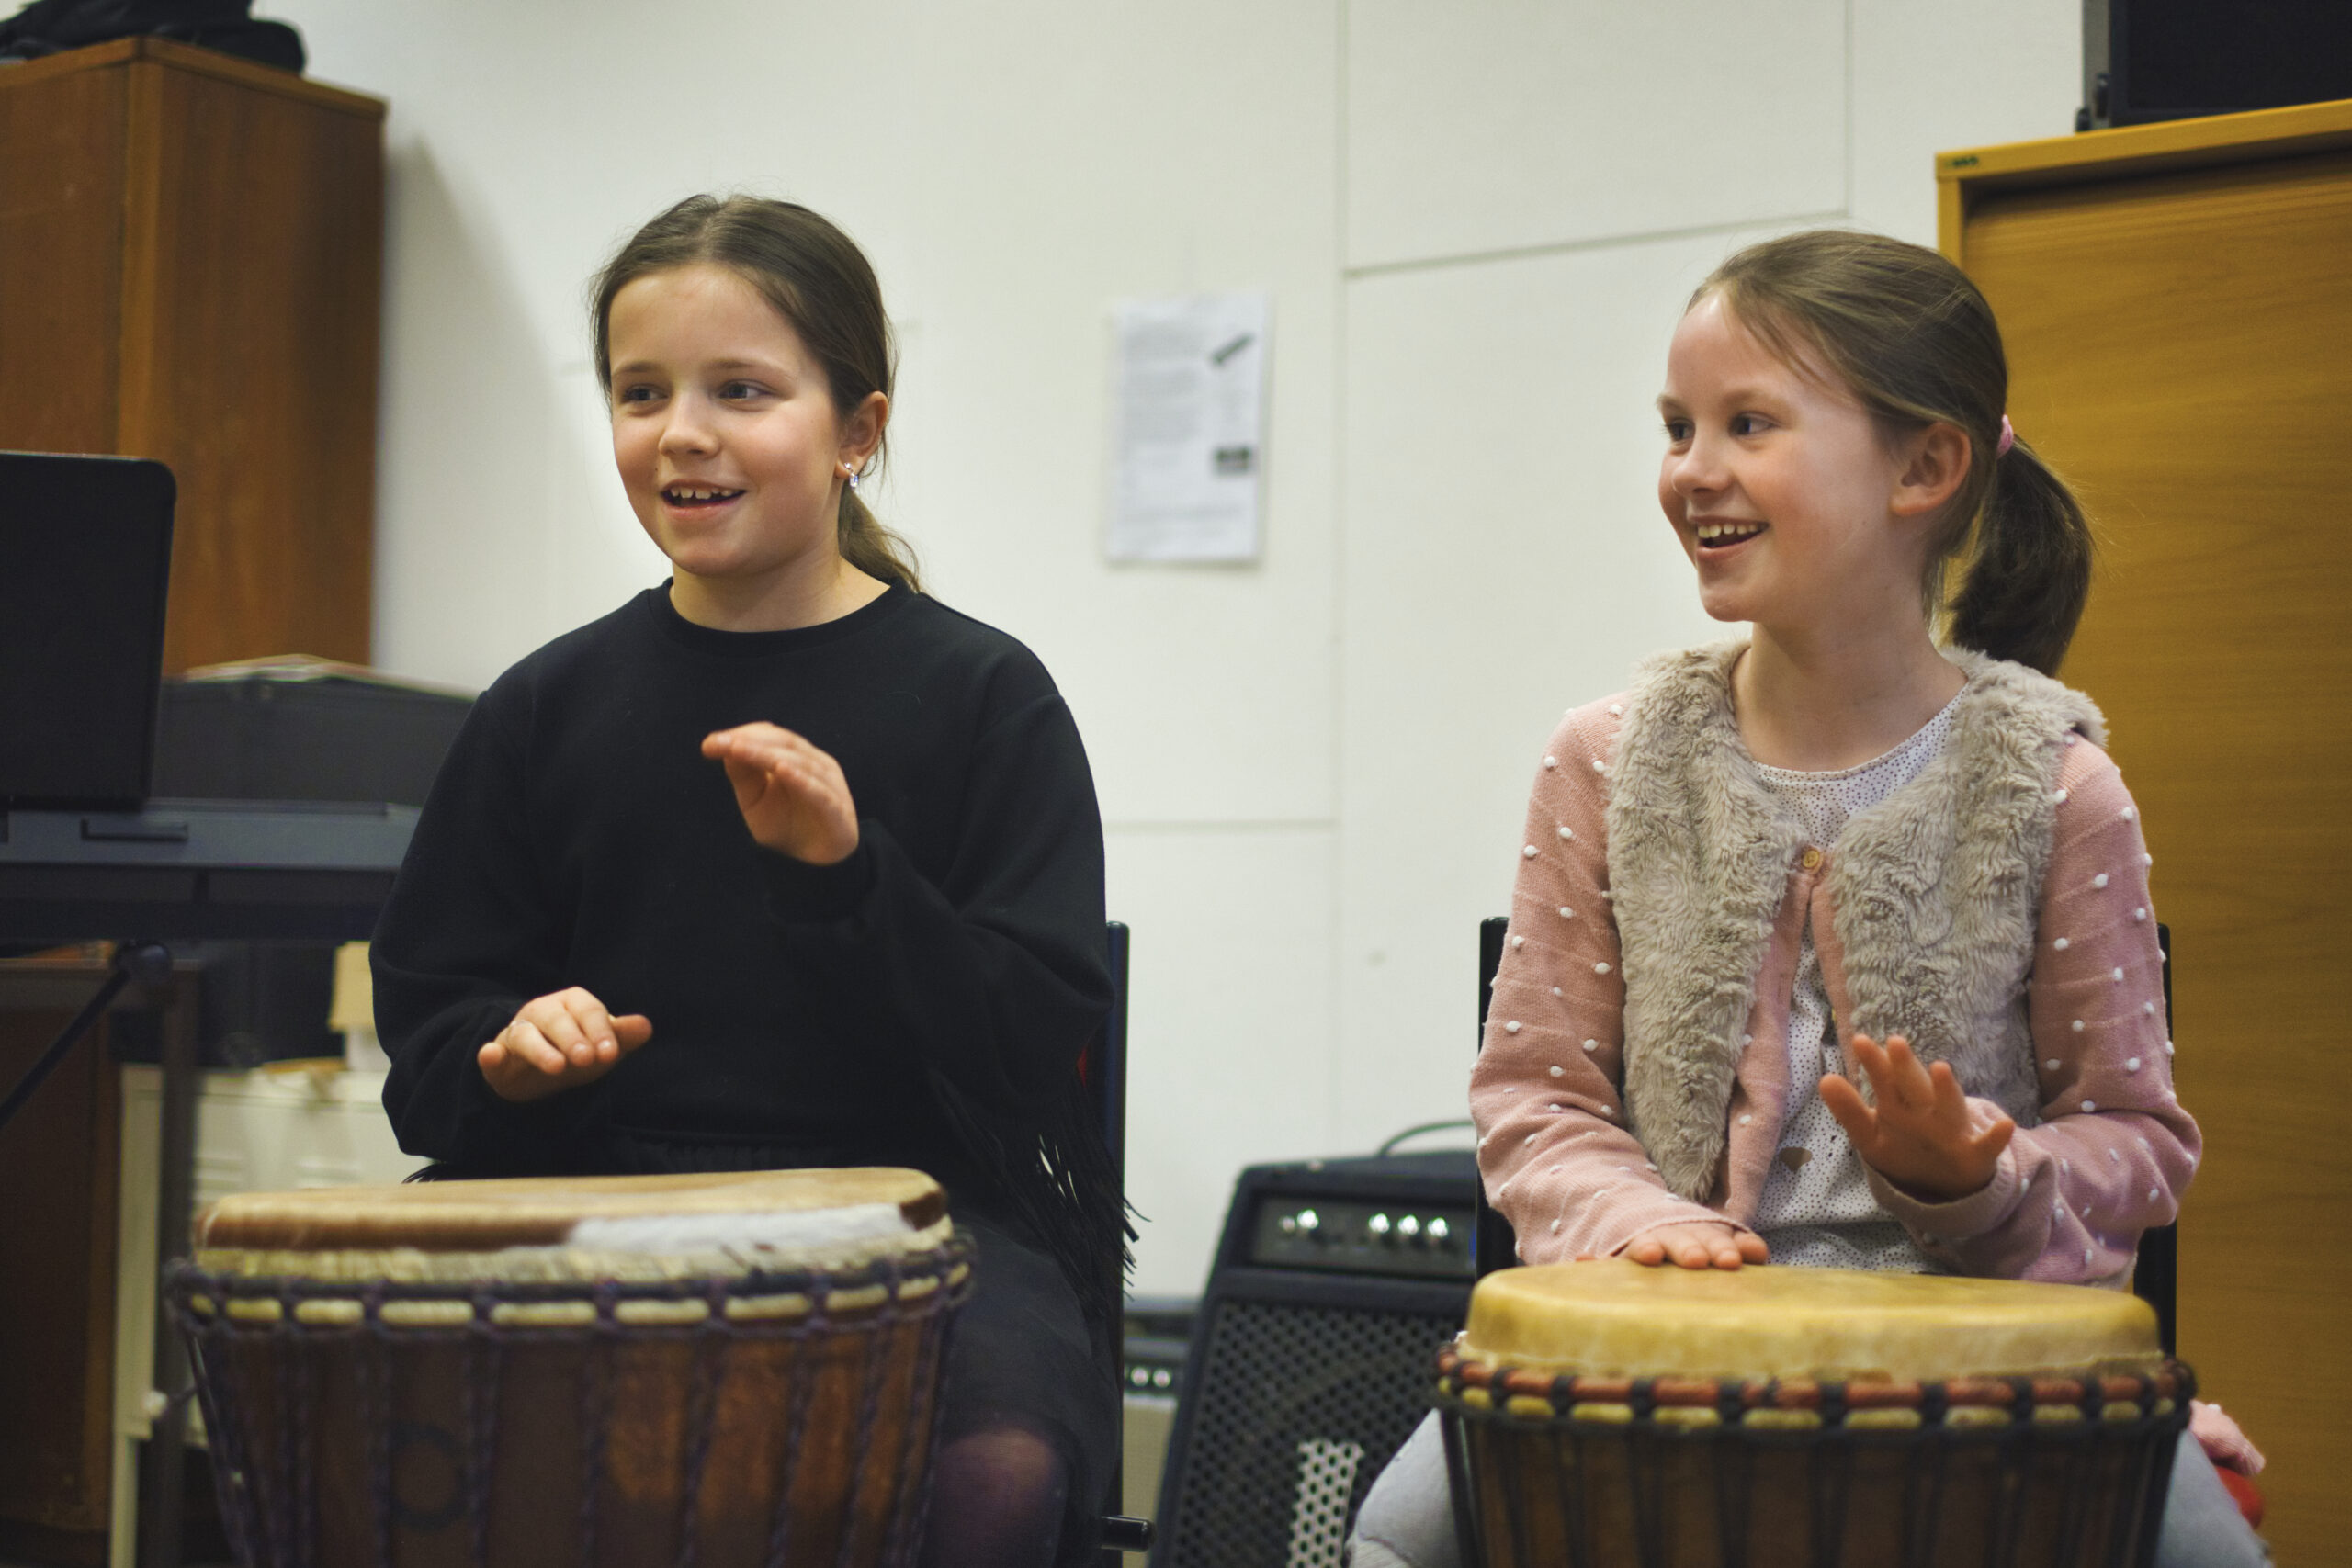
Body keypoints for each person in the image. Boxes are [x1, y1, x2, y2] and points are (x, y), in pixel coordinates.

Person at [1348, 229, 2267, 1567]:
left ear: (1926, 466)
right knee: (1393, 1538)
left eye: (1749, 423)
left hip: (1982, 1362)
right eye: (1678, 426)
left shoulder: (2058, 788)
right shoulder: (1608, 759)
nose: (1691, 471)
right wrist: (1640, 1223)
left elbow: (2136, 1140)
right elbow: (1534, 1099)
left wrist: (1983, 1176)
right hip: (1649, 1339)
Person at [372, 195, 1122, 1568]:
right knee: (394, 1428)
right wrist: (505, 1055)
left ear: (859, 432)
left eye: (742, 390)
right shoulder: (542, 708)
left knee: (996, 1474)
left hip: (918, 1214)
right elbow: (425, 1038)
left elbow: (1031, 1046)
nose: (683, 433)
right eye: (640, 390)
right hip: (593, 1196)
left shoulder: (983, 695)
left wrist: (847, 874)